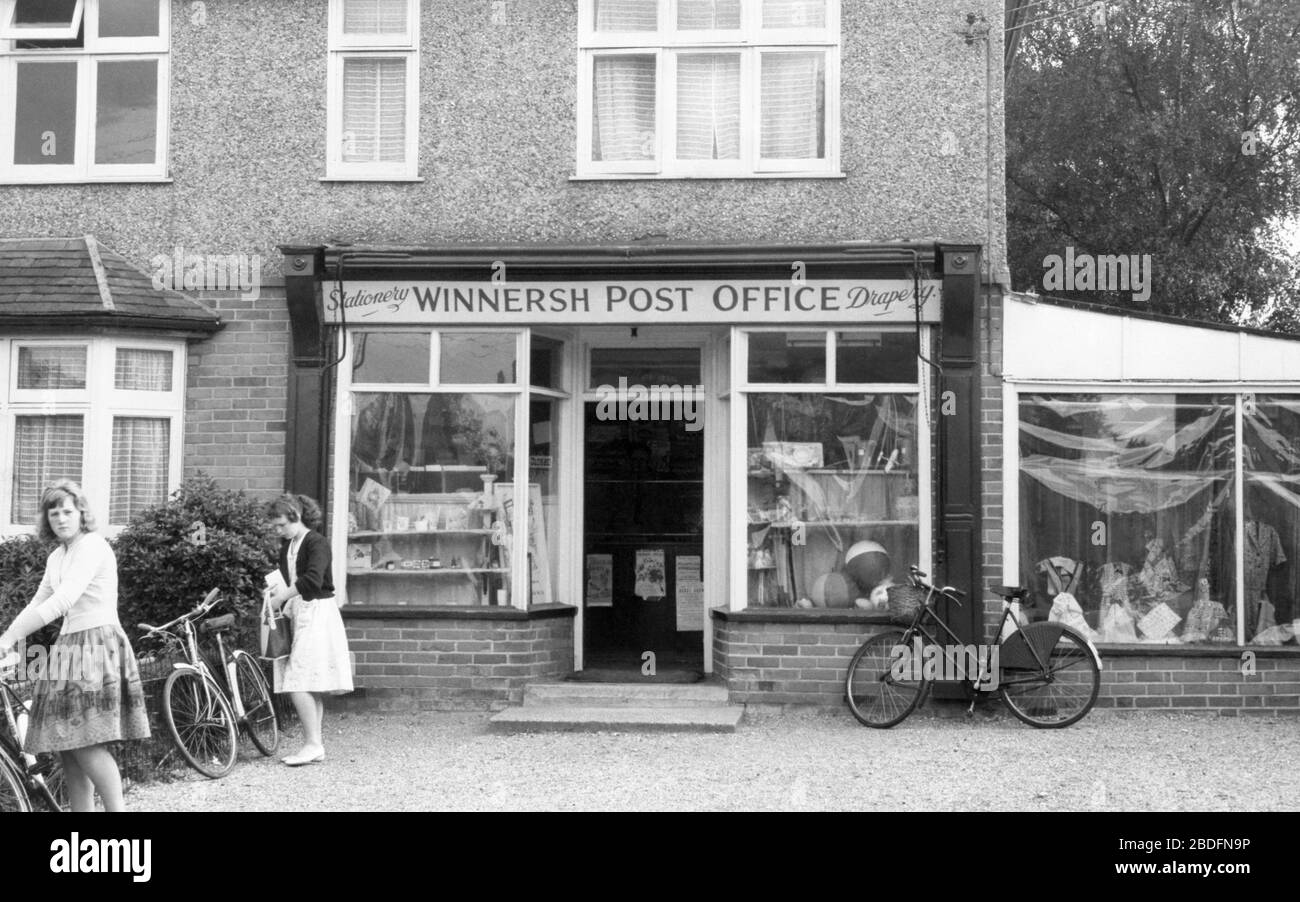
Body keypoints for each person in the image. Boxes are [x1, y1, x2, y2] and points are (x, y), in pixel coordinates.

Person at [0, 481, 150, 812]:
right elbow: (40, 599)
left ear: (81, 513)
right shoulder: (57, 555)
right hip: (69, 647)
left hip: (97, 643)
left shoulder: (93, 546)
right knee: (65, 746)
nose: (61, 519)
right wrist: (6, 636)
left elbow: (64, 600)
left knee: (86, 742)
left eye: (67, 511)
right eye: (53, 513)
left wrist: (10, 638)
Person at [265, 494, 353, 766]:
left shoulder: (317, 543)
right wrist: (274, 592)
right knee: (309, 681)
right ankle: (315, 744)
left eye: (281, 524)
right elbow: (290, 580)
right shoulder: (289, 546)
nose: (278, 531)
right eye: (275, 527)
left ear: (296, 515)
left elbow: (313, 580)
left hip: (317, 613)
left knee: (298, 680)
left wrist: (282, 597)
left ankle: (313, 743)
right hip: (300, 613)